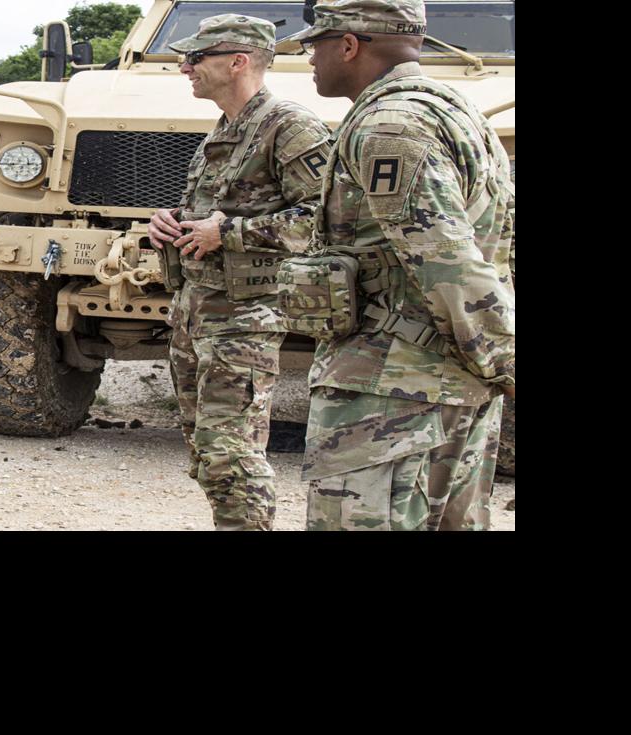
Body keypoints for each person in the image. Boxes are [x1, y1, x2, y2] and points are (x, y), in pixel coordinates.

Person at [280, 0, 515, 530]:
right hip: (442, 382)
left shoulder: (391, 125)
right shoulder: (453, 109)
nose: (307, 55)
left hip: (395, 391)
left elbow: (448, 262)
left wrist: (507, 362)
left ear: (349, 45)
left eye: (316, 43)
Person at [146, 15, 332, 531]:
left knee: (231, 454)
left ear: (238, 61)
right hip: (198, 311)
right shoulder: (226, 129)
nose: (185, 67)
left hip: (246, 317)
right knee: (206, 450)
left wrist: (226, 234)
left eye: (197, 57)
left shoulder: (290, 127)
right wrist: (171, 223)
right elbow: (213, 211)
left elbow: (326, 220)